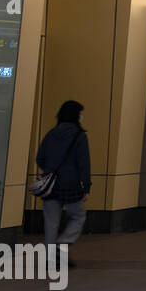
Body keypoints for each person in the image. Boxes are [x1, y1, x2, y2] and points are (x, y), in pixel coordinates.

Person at [36, 100, 93, 263]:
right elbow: (84, 163)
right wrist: (86, 186)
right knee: (79, 215)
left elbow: (40, 158)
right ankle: (63, 243)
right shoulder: (80, 136)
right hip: (71, 185)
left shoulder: (51, 134)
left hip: (51, 185)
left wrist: (50, 170)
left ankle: (49, 259)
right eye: (81, 113)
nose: (82, 116)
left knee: (51, 222)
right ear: (76, 115)